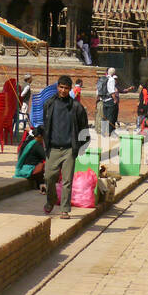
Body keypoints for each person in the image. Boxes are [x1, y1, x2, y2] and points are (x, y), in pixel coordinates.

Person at [40, 74, 89, 219]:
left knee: (67, 180)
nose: (63, 90)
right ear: (57, 87)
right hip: (53, 148)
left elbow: (84, 128)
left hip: (69, 148)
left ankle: (65, 209)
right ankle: (50, 201)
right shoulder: (49, 104)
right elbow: (45, 124)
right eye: (61, 87)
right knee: (49, 177)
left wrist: (81, 147)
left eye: (66, 88)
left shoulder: (76, 107)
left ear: (70, 89)